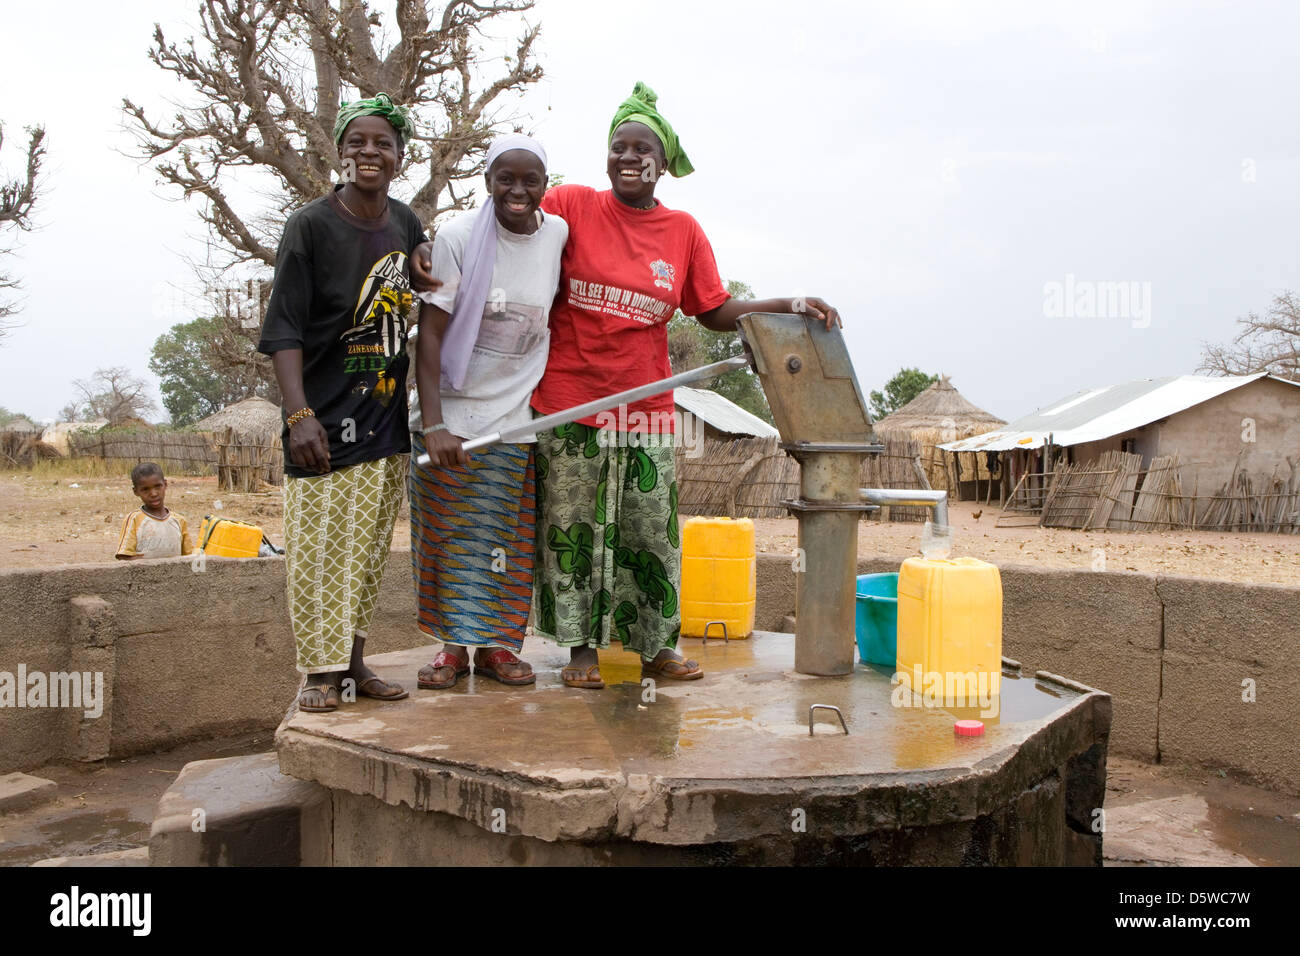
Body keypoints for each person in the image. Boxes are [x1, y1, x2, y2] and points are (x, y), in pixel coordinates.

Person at [413, 81, 840, 689]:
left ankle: (655, 648)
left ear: (662, 164)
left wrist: (789, 302)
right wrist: (424, 245)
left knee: (650, 527)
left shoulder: (683, 231)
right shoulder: (571, 206)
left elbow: (713, 307)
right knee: (571, 533)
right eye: (620, 147)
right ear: (606, 155)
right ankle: (581, 650)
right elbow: (502, 219)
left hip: (645, 405)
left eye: (644, 150)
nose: (630, 159)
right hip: (566, 402)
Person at [258, 93, 426, 713]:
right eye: (357, 142)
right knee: (317, 554)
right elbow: (283, 331)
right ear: (340, 151)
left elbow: (424, 284)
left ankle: (353, 666)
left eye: (382, 143)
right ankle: (318, 674)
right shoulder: (310, 225)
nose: (369, 152)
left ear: (399, 156)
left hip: (383, 418)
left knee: (364, 555)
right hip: (323, 423)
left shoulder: (405, 223)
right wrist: (298, 415)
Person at [410, 134, 568, 690]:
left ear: (546, 186)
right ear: (487, 182)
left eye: (530, 180)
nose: (518, 190)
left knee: (506, 537)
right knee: (449, 535)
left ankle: (500, 647)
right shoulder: (456, 238)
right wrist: (434, 425)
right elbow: (428, 337)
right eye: (506, 178)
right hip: (450, 417)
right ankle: (452, 650)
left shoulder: (558, 235)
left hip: (514, 419)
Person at [115, 462, 193, 560]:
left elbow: (189, 557)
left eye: (158, 486)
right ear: (136, 491)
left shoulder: (179, 521)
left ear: (165, 484)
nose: (153, 493)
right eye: (145, 489)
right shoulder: (134, 519)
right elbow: (124, 556)